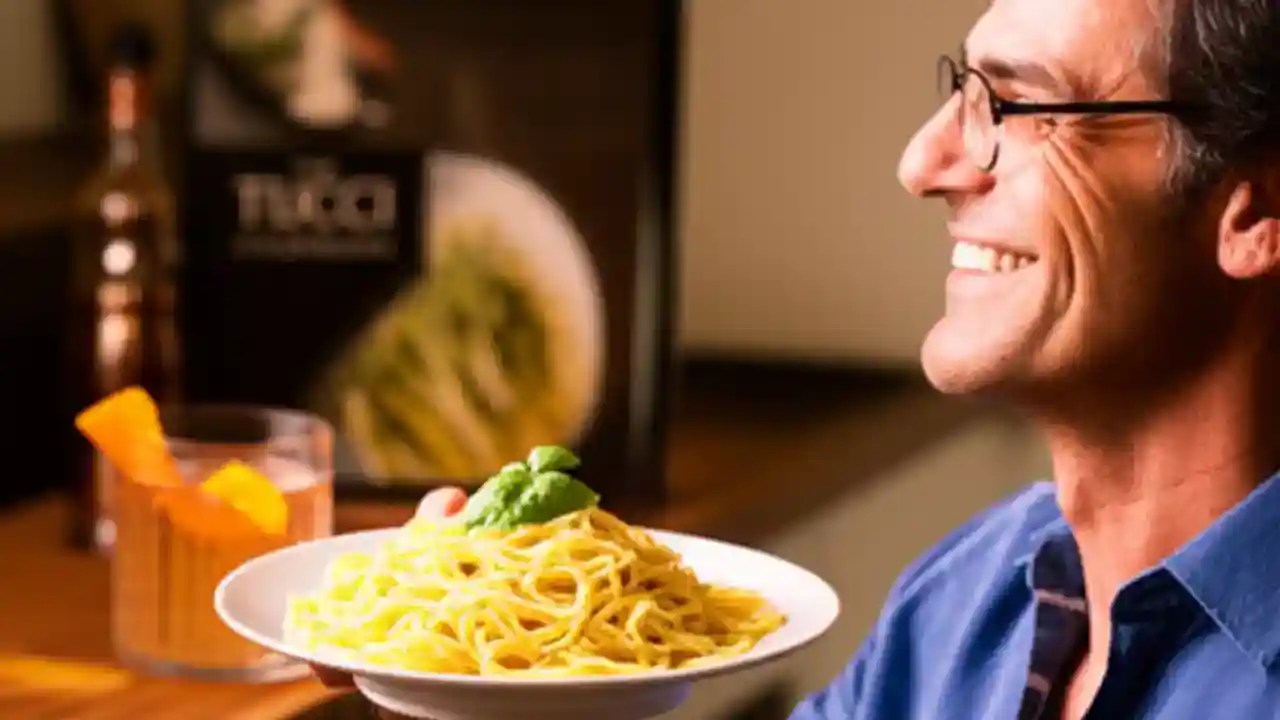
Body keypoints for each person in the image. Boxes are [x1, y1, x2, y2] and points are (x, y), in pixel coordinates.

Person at [316, 0, 1280, 717]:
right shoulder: (963, 600)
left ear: (1256, 211)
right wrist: (501, 668)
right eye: (965, 91)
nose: (924, 163)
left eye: (1021, 105)